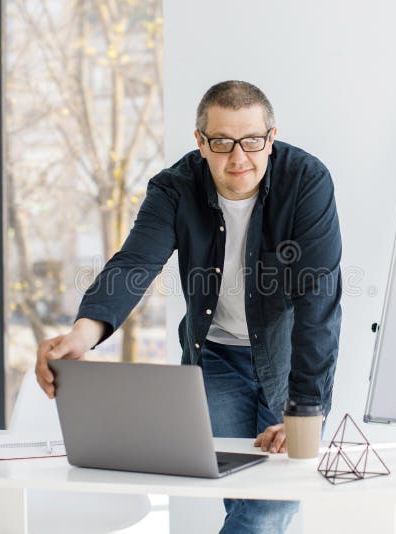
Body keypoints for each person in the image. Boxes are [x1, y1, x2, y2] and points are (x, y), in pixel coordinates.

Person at [35, 80, 342, 534]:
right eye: (221, 143)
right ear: (200, 142)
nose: (239, 158)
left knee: (272, 503)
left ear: (271, 137)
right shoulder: (174, 188)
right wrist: (83, 333)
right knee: (238, 491)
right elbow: (134, 264)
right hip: (215, 359)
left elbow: (318, 300)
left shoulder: (306, 181)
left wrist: (306, 407)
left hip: (288, 358)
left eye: (253, 141)